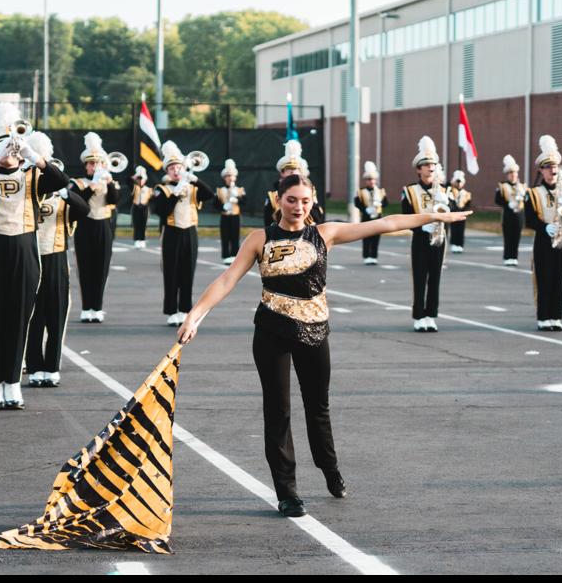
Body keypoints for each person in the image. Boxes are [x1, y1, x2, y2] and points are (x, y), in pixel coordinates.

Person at [174, 172, 470, 518]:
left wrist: (434, 216)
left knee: (318, 407)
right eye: (291, 200)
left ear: (313, 200)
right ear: (277, 200)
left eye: (305, 200)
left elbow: (386, 223)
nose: (299, 207)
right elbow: (227, 279)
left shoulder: (324, 233)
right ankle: (287, 492)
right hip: (272, 331)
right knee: (278, 410)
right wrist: (195, 315)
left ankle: (330, 469)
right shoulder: (260, 239)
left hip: (315, 330)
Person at [0, 105, 70, 410]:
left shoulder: (32, 178)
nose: (10, 151)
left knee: (19, 318)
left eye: (12, 145)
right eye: (5, 144)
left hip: (26, 251)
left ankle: (12, 381)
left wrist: (32, 154)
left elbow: (60, 181)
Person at [25, 178, 88, 388]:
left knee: (56, 316)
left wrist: (65, 192)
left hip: (56, 259)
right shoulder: (29, 200)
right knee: (33, 318)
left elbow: (84, 209)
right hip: (33, 259)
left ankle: (51, 367)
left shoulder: (63, 202)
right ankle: (34, 367)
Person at [151, 141, 210, 327]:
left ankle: (185, 310)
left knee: (187, 273)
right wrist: (176, 192)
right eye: (172, 168)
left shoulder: (192, 188)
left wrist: (194, 180)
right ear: (167, 171)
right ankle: (171, 310)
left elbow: (209, 195)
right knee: (171, 273)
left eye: (178, 167)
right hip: (172, 233)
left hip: (190, 232)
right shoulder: (162, 189)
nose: (176, 171)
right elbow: (161, 211)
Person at [400, 135, 451, 333]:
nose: (431, 168)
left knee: (435, 277)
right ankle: (419, 316)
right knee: (420, 278)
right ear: (419, 169)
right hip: (421, 239)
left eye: (433, 164)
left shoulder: (444, 189)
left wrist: (446, 203)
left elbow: (454, 212)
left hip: (439, 239)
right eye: (426, 164)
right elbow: (406, 217)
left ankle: (431, 315)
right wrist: (421, 227)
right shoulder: (410, 191)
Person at [523, 135, 562, 331]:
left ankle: (556, 316)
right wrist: (545, 227)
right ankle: (543, 316)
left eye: (555, 166)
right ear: (541, 170)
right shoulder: (533, 193)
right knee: (544, 277)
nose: (552, 170)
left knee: (559, 278)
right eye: (547, 167)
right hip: (544, 241)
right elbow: (529, 220)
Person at [71, 132, 122, 322]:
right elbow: (77, 202)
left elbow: (115, 201)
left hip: (103, 226)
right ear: (86, 166)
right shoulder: (78, 183)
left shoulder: (109, 183)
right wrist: (91, 186)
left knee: (102, 267)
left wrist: (109, 184)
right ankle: (86, 307)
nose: (94, 166)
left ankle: (97, 307)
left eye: (98, 163)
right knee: (85, 267)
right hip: (85, 226)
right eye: (91, 163)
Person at [264, 140, 325, 226]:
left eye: (296, 169)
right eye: (289, 169)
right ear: (282, 173)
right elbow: (268, 222)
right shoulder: (273, 196)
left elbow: (318, 218)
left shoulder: (310, 192)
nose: (292, 172)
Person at [351, 160, 386, 265]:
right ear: (366, 180)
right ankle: (366, 256)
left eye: (373, 179)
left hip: (378, 217)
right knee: (366, 238)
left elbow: (386, 203)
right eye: (369, 179)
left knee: (376, 238)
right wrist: (365, 209)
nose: (371, 181)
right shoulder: (360, 191)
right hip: (366, 217)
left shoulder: (380, 191)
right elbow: (357, 203)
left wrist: (380, 204)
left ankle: (374, 257)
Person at [495, 154, 525, 266]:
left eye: (515, 173)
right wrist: (508, 204)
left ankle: (514, 257)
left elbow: (527, 200)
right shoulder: (502, 186)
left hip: (519, 216)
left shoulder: (522, 186)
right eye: (511, 173)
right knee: (508, 237)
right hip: (508, 215)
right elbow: (497, 200)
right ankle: (507, 257)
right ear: (507, 175)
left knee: (517, 237)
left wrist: (523, 195)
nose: (513, 175)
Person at [216, 158, 246, 260]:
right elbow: (215, 204)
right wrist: (222, 207)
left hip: (235, 216)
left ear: (235, 177)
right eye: (228, 176)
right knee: (225, 237)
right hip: (225, 217)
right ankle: (225, 256)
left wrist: (237, 198)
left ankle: (234, 255)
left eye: (232, 176)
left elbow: (245, 202)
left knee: (235, 236)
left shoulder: (239, 190)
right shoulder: (220, 190)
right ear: (224, 178)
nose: (230, 178)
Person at [448, 169, 471, 254]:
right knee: (454, 229)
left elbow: (468, 204)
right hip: (454, 212)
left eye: (460, 182)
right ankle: (454, 243)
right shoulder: (451, 191)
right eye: (457, 181)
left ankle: (460, 244)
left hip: (462, 212)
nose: (459, 184)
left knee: (461, 229)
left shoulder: (466, 193)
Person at [129, 169, 151, 249]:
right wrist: (135, 176)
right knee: (136, 224)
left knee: (143, 225)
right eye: (139, 179)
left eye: (142, 179)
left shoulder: (148, 189)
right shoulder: (134, 187)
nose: (140, 181)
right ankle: (136, 240)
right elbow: (128, 181)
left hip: (144, 208)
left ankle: (142, 240)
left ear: (145, 180)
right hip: (136, 207)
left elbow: (152, 199)